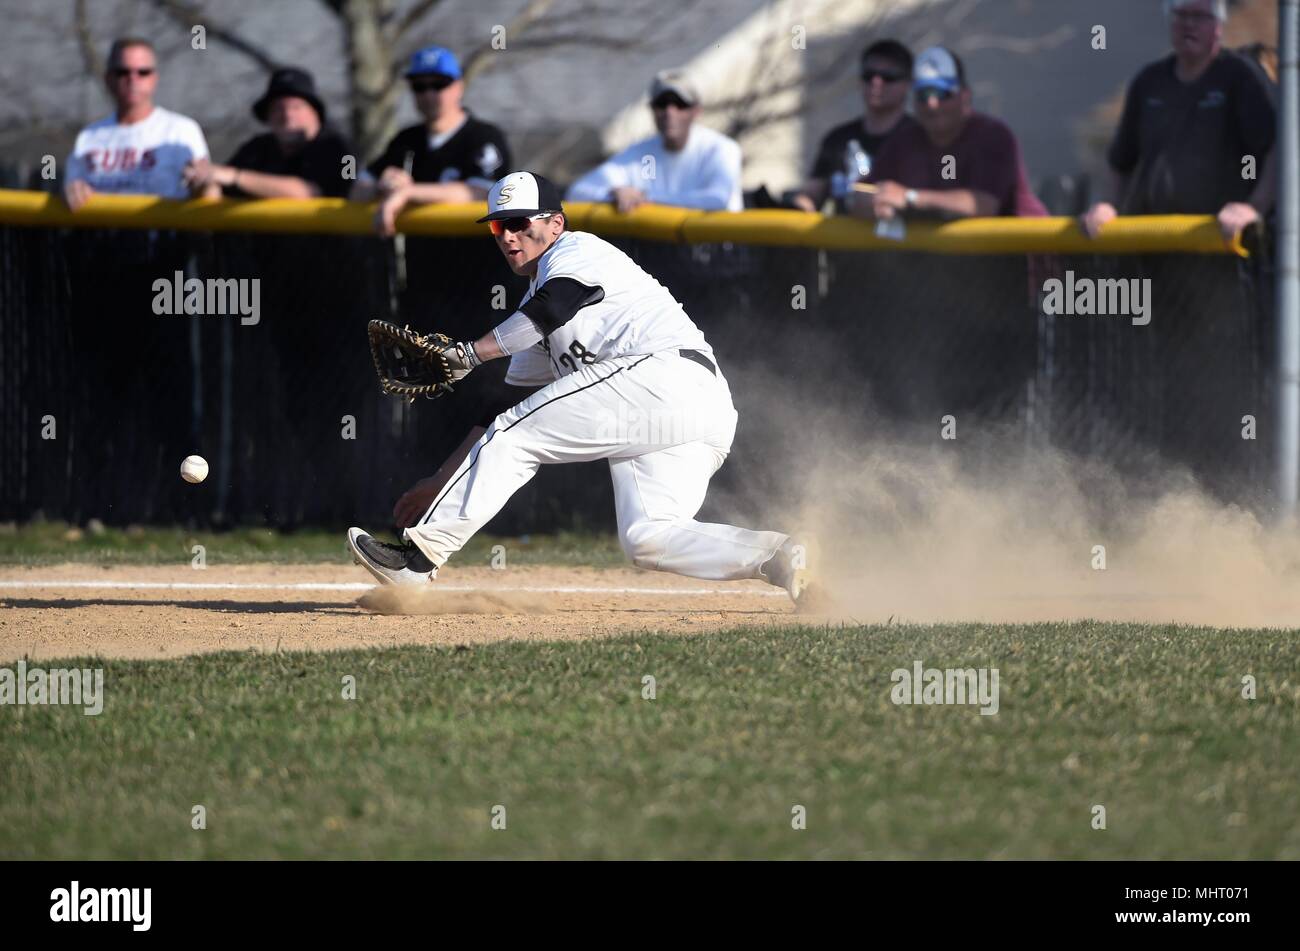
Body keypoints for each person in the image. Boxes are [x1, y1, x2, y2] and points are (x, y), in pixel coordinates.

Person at [347, 171, 811, 604]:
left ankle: (418, 562)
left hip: (664, 377)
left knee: (517, 436)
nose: (508, 236)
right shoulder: (533, 308)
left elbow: (555, 308)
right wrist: (440, 481)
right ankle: (778, 557)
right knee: (648, 536)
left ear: (555, 223)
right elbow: (500, 413)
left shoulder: (577, 252)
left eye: (518, 223)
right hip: (686, 408)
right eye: (496, 228)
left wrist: (469, 354)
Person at [1081, 0, 1276, 242]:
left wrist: (1253, 207)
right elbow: (1120, 161)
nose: (1189, 25)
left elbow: (1274, 151)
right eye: (1181, 16)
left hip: (1220, 243)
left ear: (1218, 26)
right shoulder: (1149, 82)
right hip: (1157, 243)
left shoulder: (1240, 78)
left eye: (1199, 17)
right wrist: (1107, 204)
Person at [853, 46, 1046, 220]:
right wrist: (874, 204)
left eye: (942, 93)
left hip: (1020, 251)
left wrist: (910, 197)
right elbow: (861, 192)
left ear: (965, 96)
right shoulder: (904, 140)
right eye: (923, 94)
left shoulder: (992, 135)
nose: (932, 104)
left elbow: (982, 205)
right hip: (950, 257)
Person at [353, 45, 513, 236]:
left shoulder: (484, 137)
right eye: (419, 86)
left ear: (459, 86)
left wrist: (408, 192)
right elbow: (357, 191)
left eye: (439, 84)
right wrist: (383, 185)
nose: (429, 94)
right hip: (419, 262)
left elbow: (480, 193)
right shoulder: (407, 141)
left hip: (474, 257)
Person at [64, 37, 216, 208]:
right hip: (103, 232)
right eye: (123, 72)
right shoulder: (88, 137)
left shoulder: (181, 131)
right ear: (108, 78)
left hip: (163, 231)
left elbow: (205, 193)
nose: (133, 80)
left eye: (143, 72)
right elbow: (72, 192)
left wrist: (204, 182)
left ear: (154, 78)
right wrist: (73, 189)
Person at [566, 71, 743, 212]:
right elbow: (577, 192)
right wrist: (614, 192)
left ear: (696, 111)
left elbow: (717, 199)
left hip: (721, 252)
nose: (669, 112)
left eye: (679, 103)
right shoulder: (639, 152)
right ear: (652, 109)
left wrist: (644, 197)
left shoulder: (722, 149)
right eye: (661, 103)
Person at [182, 67, 353, 198]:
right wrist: (204, 179)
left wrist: (234, 176)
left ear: (315, 113)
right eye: (278, 108)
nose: (287, 115)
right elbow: (219, 187)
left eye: (296, 107)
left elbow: (308, 192)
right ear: (267, 115)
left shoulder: (334, 147)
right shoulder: (257, 149)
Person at [792, 39, 918, 213]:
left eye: (888, 76)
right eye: (869, 75)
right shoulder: (837, 139)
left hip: (899, 238)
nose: (876, 82)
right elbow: (812, 195)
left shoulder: (920, 139)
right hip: (843, 239)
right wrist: (792, 207)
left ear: (908, 83)